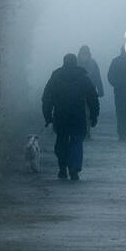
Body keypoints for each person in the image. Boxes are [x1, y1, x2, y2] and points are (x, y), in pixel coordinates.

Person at [41, 52, 100, 181]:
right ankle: (74, 167)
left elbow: (47, 98)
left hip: (61, 115)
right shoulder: (83, 77)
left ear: (64, 62)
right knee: (77, 141)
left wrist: (48, 118)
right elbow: (92, 97)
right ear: (76, 63)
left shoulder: (56, 76)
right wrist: (94, 116)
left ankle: (62, 168)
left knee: (61, 141)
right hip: (78, 115)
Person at [76, 45, 103, 138]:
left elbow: (97, 77)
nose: (84, 56)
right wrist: (100, 90)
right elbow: (97, 77)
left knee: (87, 111)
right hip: (82, 91)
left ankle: (86, 131)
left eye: (85, 54)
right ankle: (84, 131)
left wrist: (100, 89)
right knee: (84, 111)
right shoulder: (91, 63)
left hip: (86, 91)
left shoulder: (77, 62)